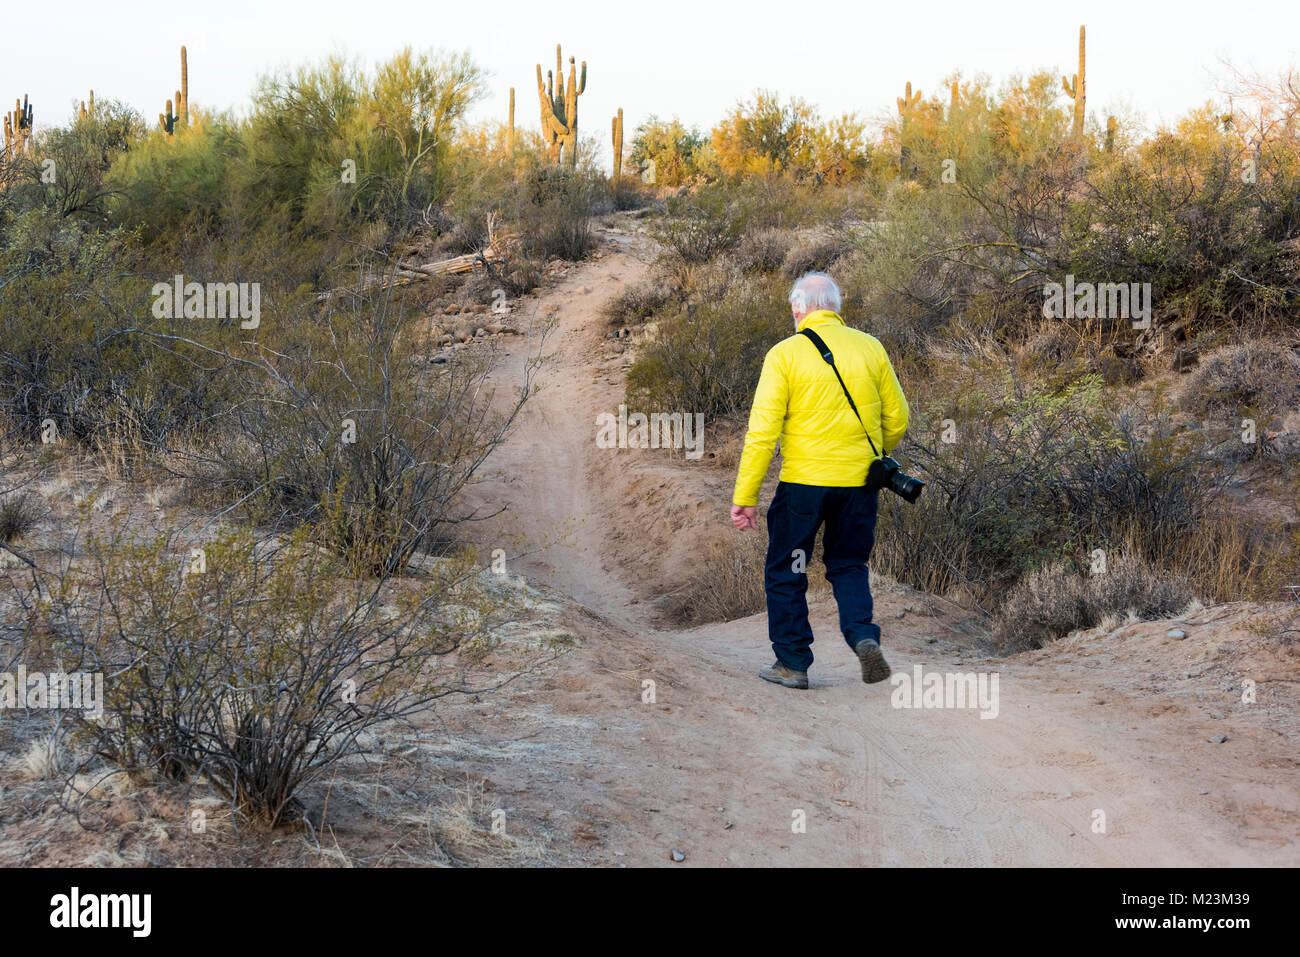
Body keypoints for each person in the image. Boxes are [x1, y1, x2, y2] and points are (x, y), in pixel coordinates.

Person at [729, 271, 909, 690]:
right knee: (848, 564)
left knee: (787, 569)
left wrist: (746, 496)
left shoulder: (784, 354)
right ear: (836, 307)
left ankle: (793, 664)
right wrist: (870, 454)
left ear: (797, 310)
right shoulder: (871, 348)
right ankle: (863, 636)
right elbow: (898, 418)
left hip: (803, 487)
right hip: (859, 483)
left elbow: (762, 434)